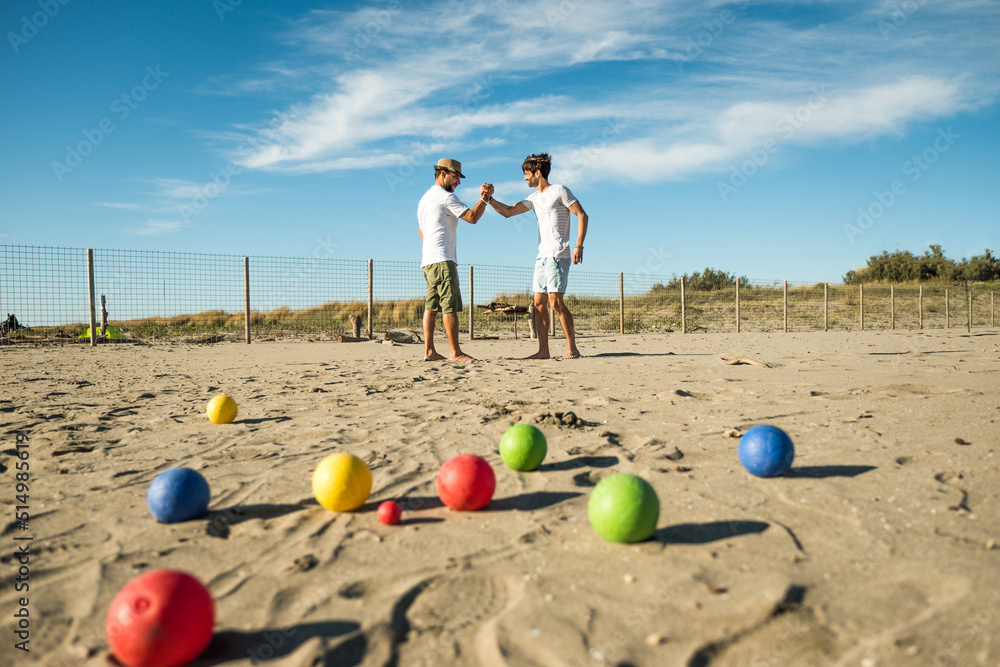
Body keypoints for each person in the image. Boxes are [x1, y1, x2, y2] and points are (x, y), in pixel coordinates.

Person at [484, 153, 588, 359]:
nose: (524, 178)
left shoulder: (559, 190)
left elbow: (582, 215)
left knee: (555, 303)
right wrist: (488, 199)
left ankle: (572, 349)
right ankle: (543, 351)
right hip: (541, 256)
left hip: (559, 254)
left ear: (537, 173)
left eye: (526, 174)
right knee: (539, 305)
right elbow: (508, 212)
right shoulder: (533, 198)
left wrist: (579, 245)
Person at [418, 158, 491, 361]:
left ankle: (430, 351)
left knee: (431, 307)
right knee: (449, 305)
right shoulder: (445, 197)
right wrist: (485, 198)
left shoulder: (424, 199)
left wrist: (432, 247)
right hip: (443, 260)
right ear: (443, 173)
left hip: (428, 261)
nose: (458, 181)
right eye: (456, 176)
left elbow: (421, 232)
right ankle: (455, 352)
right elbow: (472, 217)